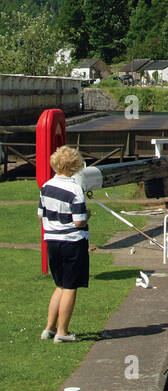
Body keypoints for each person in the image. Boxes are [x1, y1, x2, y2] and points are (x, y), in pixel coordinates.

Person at [37, 145, 91, 343]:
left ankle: (49, 329)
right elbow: (78, 221)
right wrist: (87, 216)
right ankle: (62, 332)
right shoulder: (75, 189)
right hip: (71, 242)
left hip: (52, 241)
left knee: (59, 285)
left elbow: (41, 214)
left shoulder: (46, 186)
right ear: (75, 166)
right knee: (70, 287)